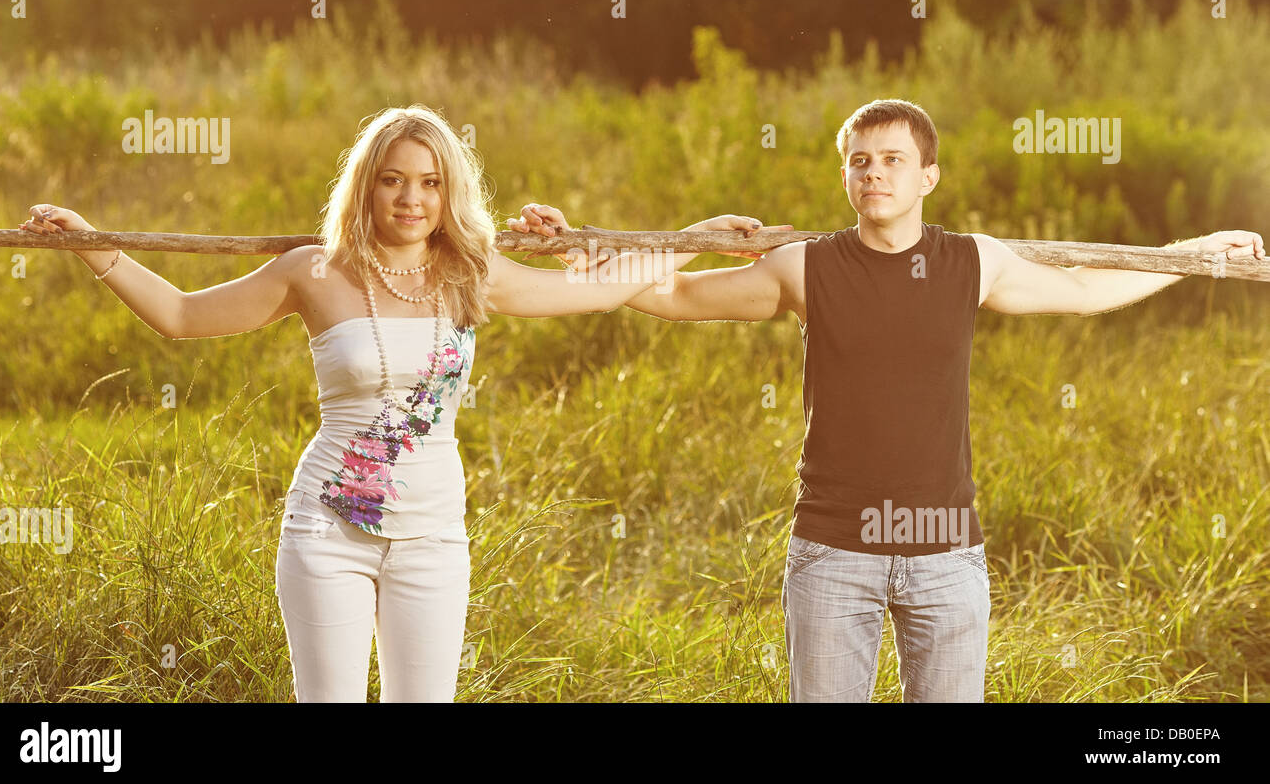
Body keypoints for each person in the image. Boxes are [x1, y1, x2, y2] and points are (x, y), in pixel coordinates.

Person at [510, 97, 1265, 703]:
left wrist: (1193, 258)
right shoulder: (803, 266)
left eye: (893, 160)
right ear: (846, 176)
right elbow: (669, 295)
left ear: (927, 177)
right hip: (834, 554)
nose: (874, 173)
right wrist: (597, 245)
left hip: (946, 554)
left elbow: (1083, 292)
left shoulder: (974, 261)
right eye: (859, 161)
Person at [17, 103, 770, 702]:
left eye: (431, 182)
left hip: (434, 539)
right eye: (393, 180)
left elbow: (605, 288)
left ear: (450, 193)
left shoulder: (475, 275)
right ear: (367, 184)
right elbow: (181, 316)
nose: (412, 198)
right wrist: (93, 244)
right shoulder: (312, 271)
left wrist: (690, 237)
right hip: (326, 532)